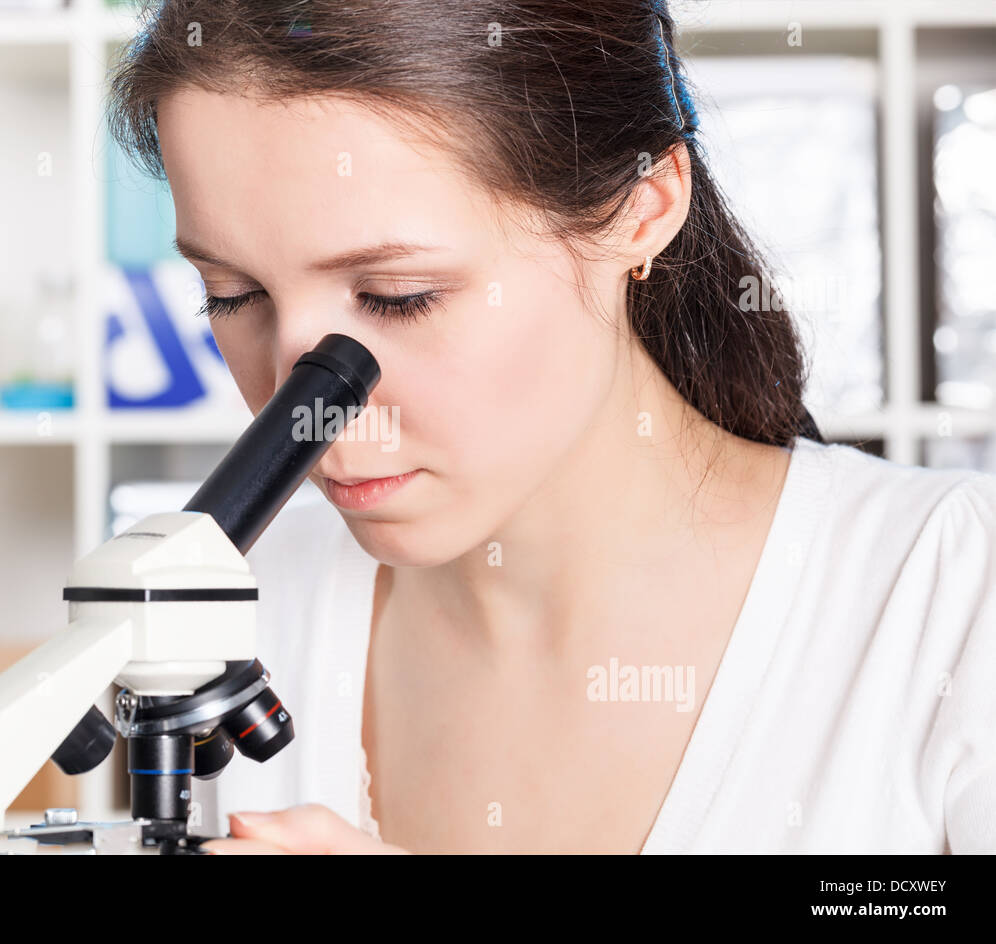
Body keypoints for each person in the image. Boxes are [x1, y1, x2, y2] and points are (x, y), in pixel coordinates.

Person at [106, 0, 996, 853]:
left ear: (638, 211)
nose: (305, 412)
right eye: (234, 296)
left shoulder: (954, 598)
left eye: (399, 297)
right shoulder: (235, 613)